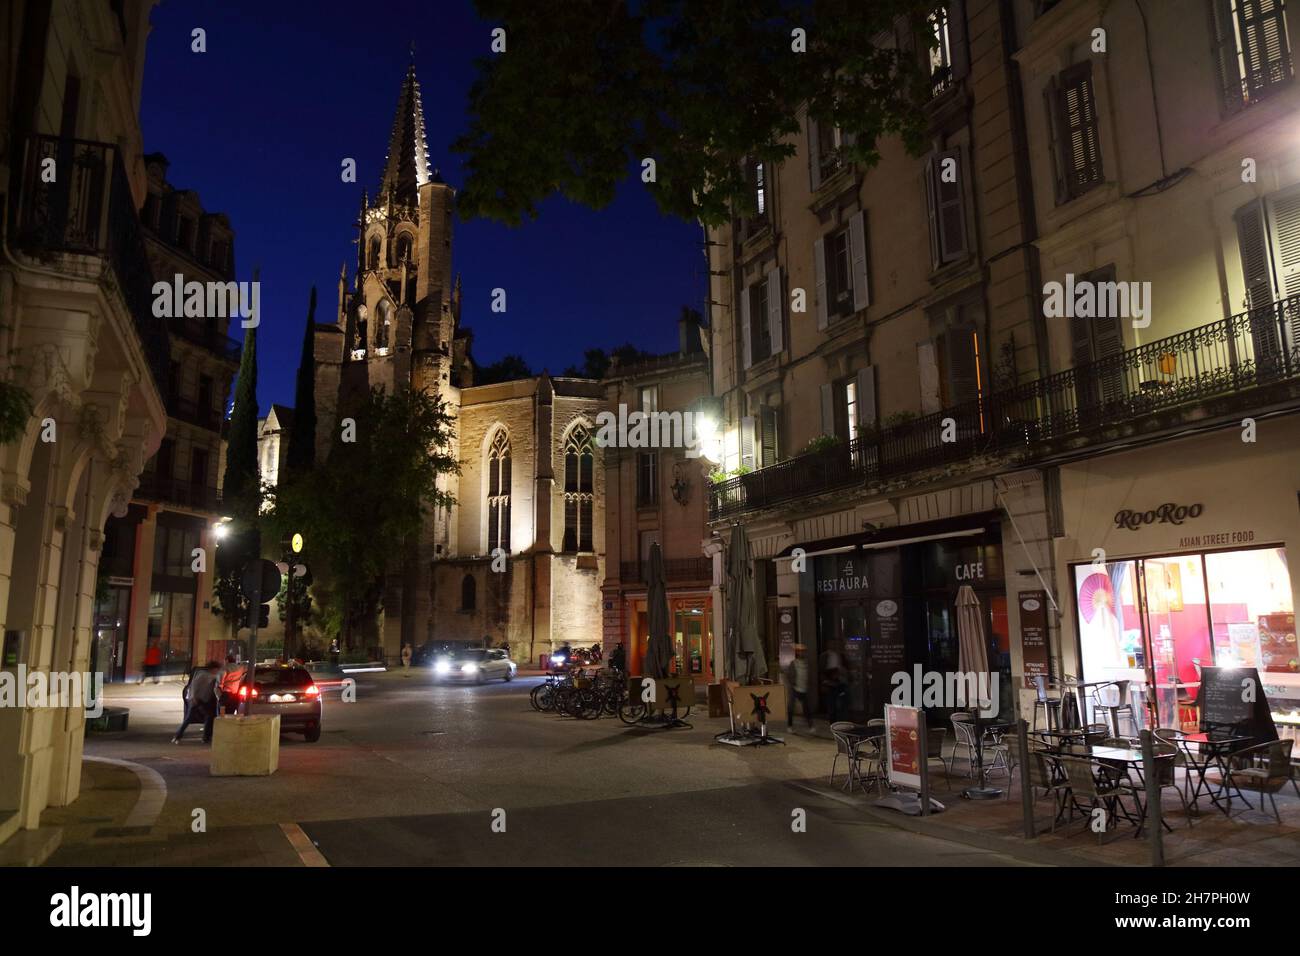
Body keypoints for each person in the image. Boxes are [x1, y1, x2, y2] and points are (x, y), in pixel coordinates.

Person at [173, 661, 221, 744]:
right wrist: (193, 697)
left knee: (208, 717)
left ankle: (205, 737)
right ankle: (178, 736)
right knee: (189, 718)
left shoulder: (212, 676)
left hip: (204, 700)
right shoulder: (202, 675)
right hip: (197, 699)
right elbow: (194, 686)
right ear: (213, 668)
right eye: (216, 669)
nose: (217, 671)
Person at [785, 644, 813, 733]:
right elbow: (789, 675)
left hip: (804, 688)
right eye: (799, 651)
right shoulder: (794, 663)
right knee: (791, 708)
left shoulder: (806, 662)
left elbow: (808, 674)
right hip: (795, 688)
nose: (801, 653)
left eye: (802, 651)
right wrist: (792, 683)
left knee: (806, 708)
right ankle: (790, 726)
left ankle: (810, 726)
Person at [820, 640, 847, 723]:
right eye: (832, 644)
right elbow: (821, 670)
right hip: (830, 682)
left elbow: (845, 666)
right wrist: (825, 681)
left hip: (840, 681)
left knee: (842, 702)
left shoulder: (840, 655)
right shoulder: (824, 656)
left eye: (835, 644)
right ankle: (833, 722)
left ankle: (841, 720)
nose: (834, 646)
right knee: (831, 703)